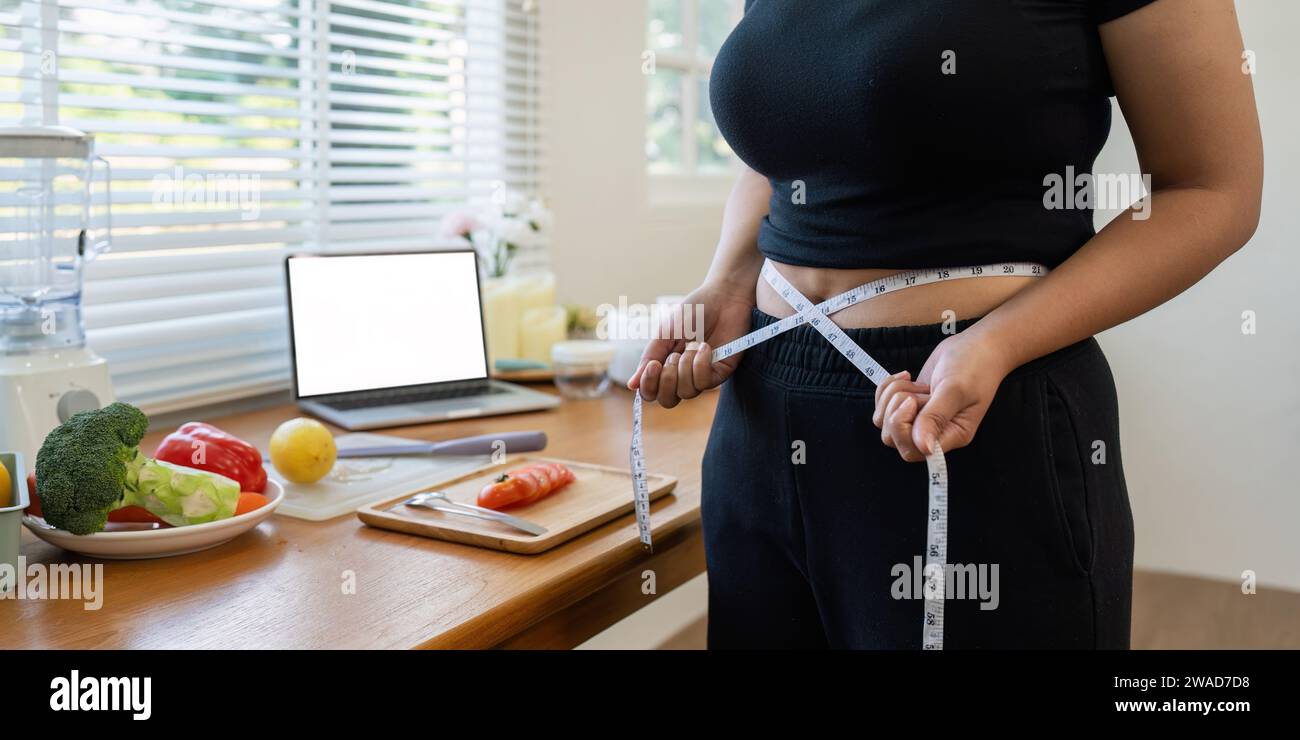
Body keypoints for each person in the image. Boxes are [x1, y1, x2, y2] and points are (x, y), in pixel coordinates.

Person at [628, 0, 1263, 649]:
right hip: (762, 414)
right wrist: (730, 277)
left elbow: (1212, 189)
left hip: (977, 414)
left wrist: (997, 341)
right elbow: (786, 151)